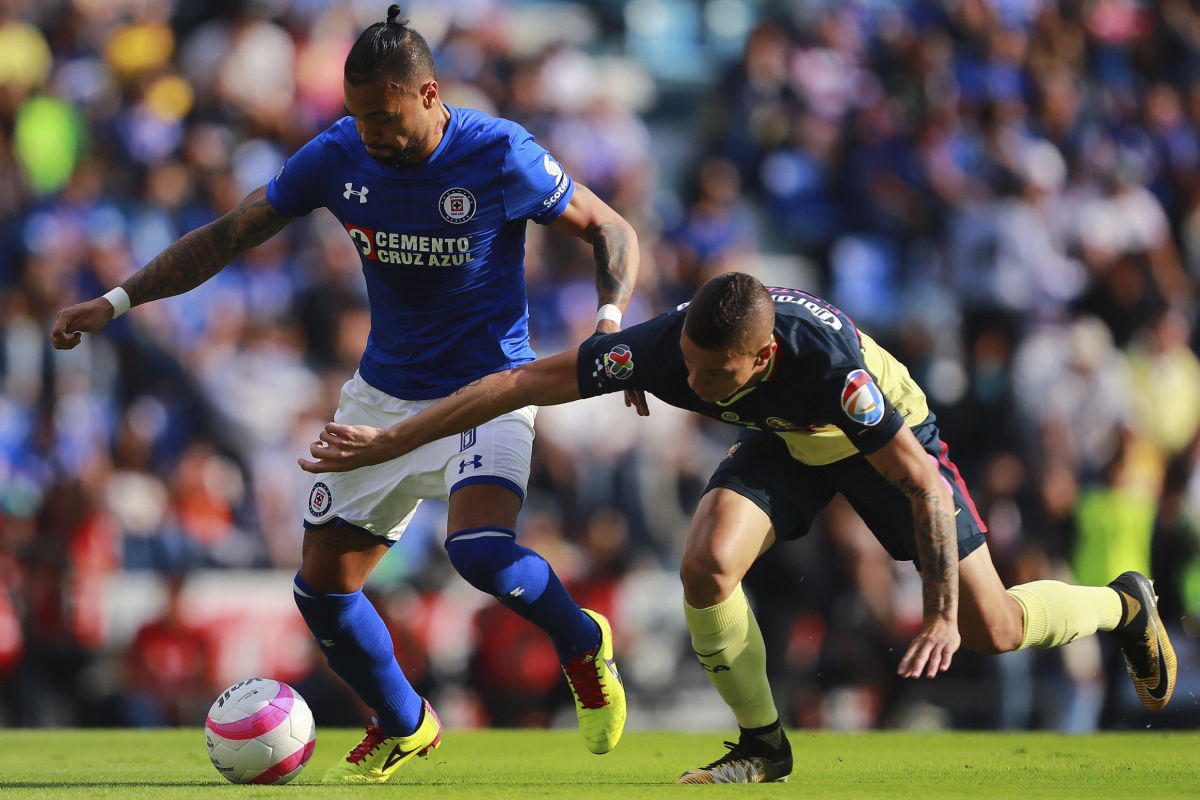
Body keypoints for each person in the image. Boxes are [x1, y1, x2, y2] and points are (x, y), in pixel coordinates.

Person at [50, 5, 636, 784]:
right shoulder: (337, 156)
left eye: (384, 116)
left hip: (487, 386)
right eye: (357, 115)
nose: (370, 133)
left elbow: (611, 228)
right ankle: (405, 723)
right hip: (381, 396)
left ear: (429, 95)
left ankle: (581, 642)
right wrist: (116, 302)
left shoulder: (499, 154)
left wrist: (608, 318)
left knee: (479, 552)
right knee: (322, 593)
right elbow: (227, 236)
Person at [298, 272, 1178, 784]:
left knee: (997, 629)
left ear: (761, 358)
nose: (693, 383)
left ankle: (1124, 609)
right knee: (706, 565)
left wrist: (941, 610)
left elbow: (917, 484)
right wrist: (395, 436)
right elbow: (525, 383)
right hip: (787, 442)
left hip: (880, 447)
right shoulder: (671, 346)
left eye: (713, 374)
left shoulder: (836, 376)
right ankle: (764, 744)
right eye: (687, 366)